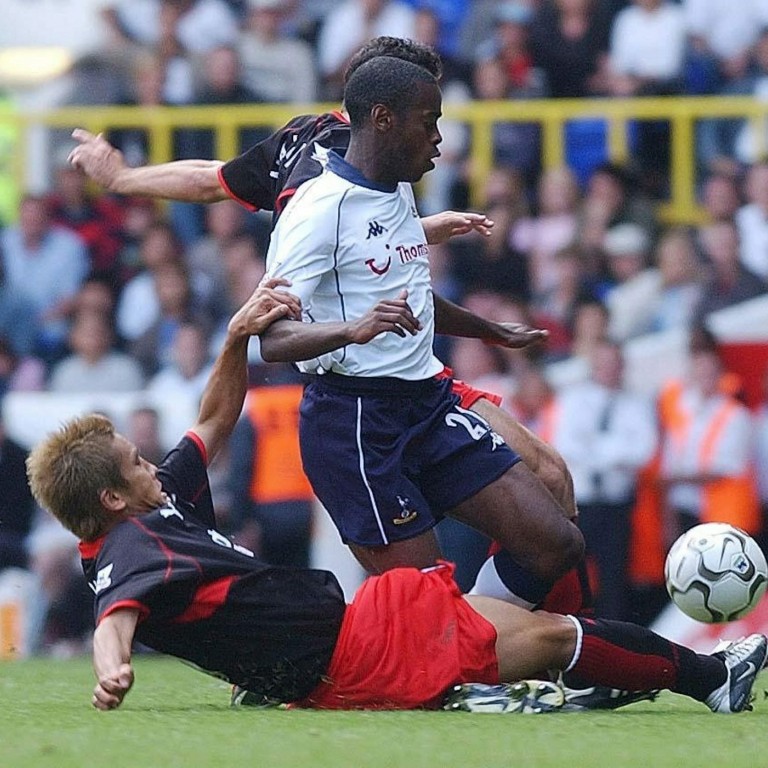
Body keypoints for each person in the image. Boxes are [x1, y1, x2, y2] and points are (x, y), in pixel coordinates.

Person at [25, 281, 768, 713]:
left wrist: (234, 340)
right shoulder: (127, 549)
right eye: (134, 464)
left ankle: (541, 681)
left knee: (538, 598)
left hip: (349, 629)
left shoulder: (154, 507)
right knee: (550, 636)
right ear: (112, 499)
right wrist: (111, 667)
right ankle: (712, 679)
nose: (150, 465)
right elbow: (114, 615)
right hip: (349, 656)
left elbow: (215, 420)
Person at [67, 37, 581, 606]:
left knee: (551, 481)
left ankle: (544, 644)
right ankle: (506, 648)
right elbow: (216, 181)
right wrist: (124, 180)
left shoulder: (395, 164)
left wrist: (431, 242)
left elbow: (377, 248)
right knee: (426, 594)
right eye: (426, 111)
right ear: (377, 104)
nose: (435, 131)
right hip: (350, 388)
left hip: (418, 377)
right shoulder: (315, 157)